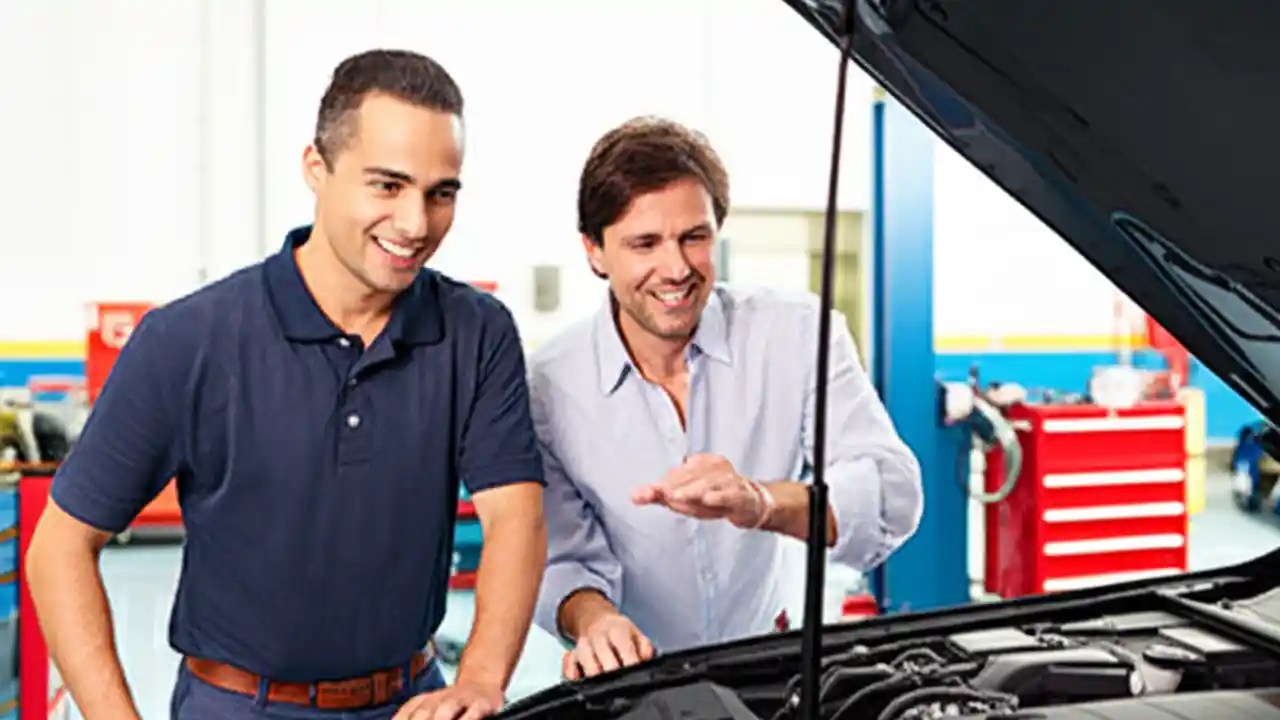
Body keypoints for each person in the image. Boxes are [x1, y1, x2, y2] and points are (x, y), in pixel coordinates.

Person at [23, 49, 547, 720]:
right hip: (240, 707)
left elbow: (515, 517)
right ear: (316, 170)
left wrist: (479, 677)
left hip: (414, 702)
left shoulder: (477, 333)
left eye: (440, 192)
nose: (416, 224)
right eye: (386, 186)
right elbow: (61, 546)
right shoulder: (189, 340)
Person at [527, 116, 924, 679]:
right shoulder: (546, 386)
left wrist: (760, 502)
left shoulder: (797, 333)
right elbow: (561, 555)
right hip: (637, 685)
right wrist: (594, 622)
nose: (678, 268)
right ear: (594, 251)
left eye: (695, 237)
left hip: (781, 671)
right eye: (645, 244)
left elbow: (894, 493)